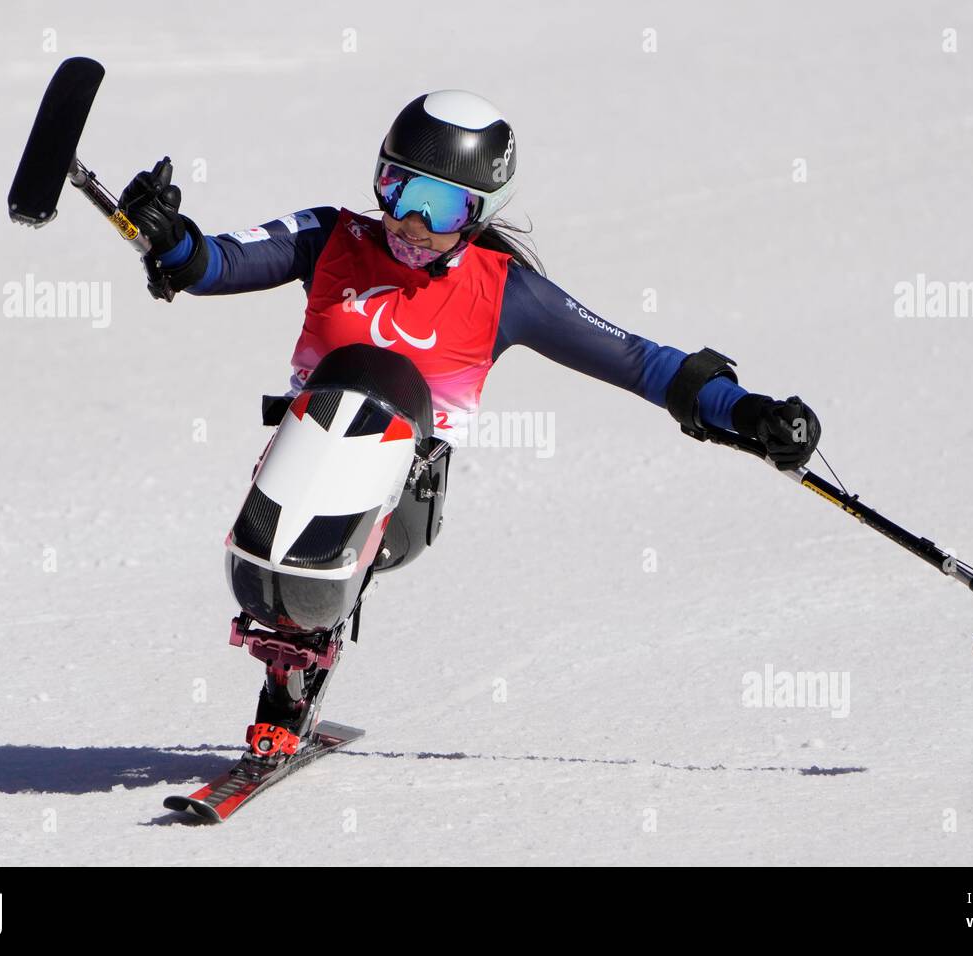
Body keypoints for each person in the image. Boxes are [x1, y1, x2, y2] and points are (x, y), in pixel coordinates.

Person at [118, 90, 821, 755]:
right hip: (302, 457)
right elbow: (216, 263)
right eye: (398, 191)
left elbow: (641, 363)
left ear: (480, 212)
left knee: (320, 531)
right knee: (261, 570)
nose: (412, 223)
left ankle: (295, 667)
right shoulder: (328, 236)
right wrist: (171, 240)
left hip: (400, 497)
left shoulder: (504, 291)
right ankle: (290, 651)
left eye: (441, 206)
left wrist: (746, 410)